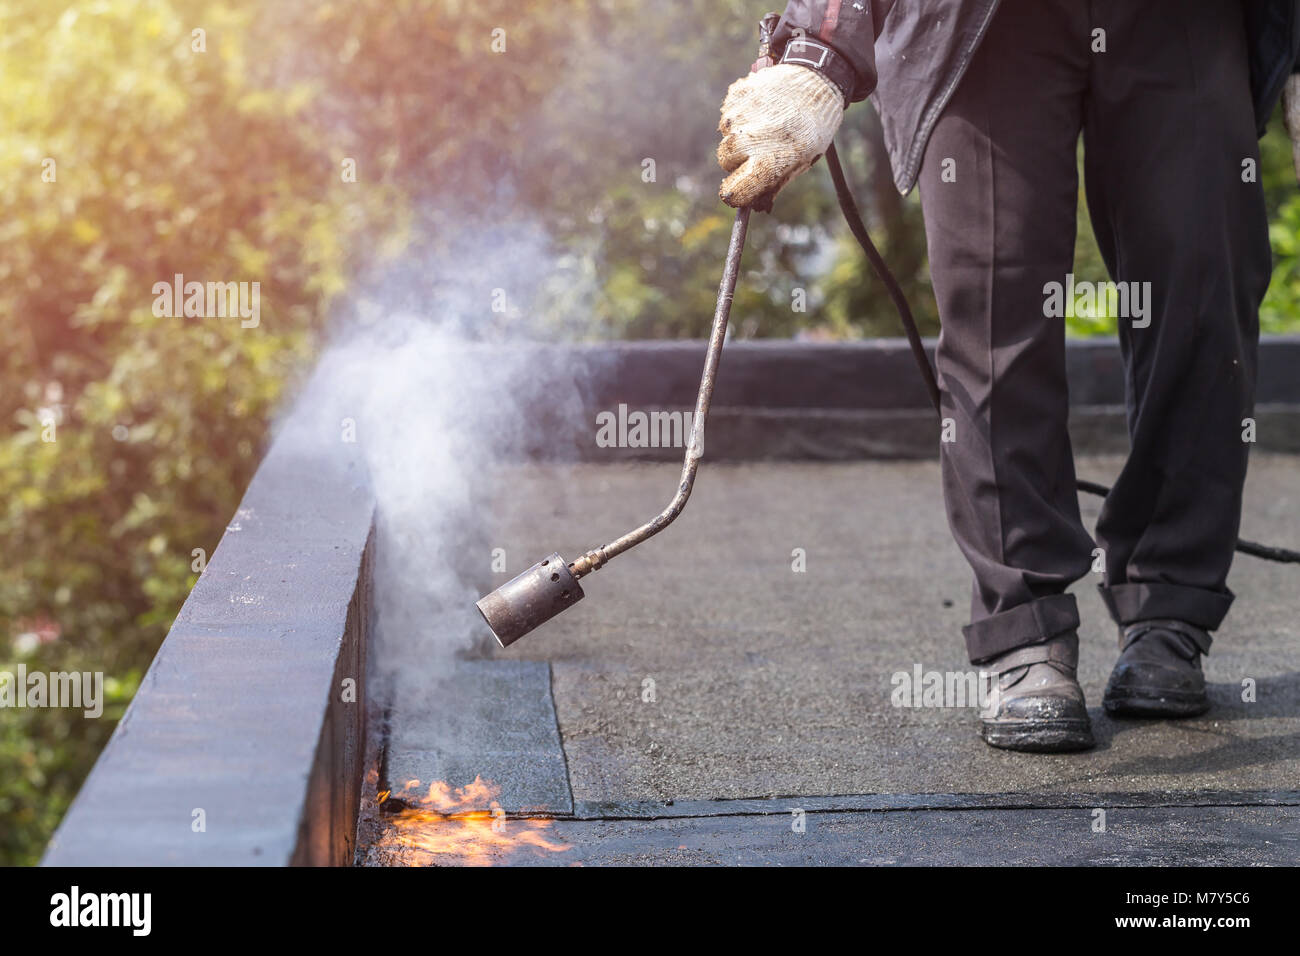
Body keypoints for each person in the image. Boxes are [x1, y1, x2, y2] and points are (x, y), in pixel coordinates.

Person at [718, 0, 1300, 752]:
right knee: (996, 302)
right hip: (981, 26)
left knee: (1202, 293)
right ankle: (1024, 631)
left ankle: (1171, 606)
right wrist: (818, 47)